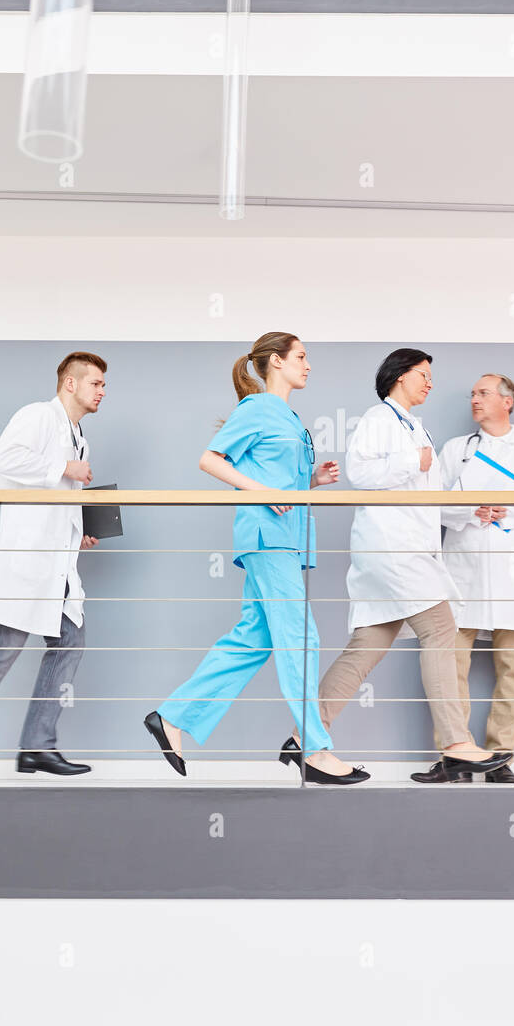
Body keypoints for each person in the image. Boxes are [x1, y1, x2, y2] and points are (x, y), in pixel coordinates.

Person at [144, 332, 369, 786]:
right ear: (275, 362)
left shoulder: (285, 414)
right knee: (300, 639)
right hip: (270, 540)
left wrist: (311, 480)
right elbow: (210, 459)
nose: (308, 365)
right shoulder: (260, 409)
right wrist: (261, 490)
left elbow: (275, 482)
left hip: (284, 539)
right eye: (301, 357)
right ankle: (315, 749)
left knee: (253, 639)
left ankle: (172, 717)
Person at [318, 348, 513, 782]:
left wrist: (470, 510)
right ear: (399, 376)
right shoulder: (377, 420)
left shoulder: (414, 427)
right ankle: (457, 744)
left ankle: (305, 739)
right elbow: (360, 475)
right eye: (422, 375)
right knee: (441, 629)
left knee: (365, 648)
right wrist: (413, 461)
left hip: (403, 552)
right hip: (391, 551)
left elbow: (430, 499)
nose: (430, 383)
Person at [0, 352, 107, 783]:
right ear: (70, 383)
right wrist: (62, 468)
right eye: (96, 384)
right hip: (23, 563)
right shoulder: (37, 417)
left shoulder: (79, 435)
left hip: (56, 568)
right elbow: (5, 460)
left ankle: (36, 747)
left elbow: (57, 501)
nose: (102, 392)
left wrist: (80, 530)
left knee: (70, 640)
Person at [415, 373, 514, 786]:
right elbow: (433, 503)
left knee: (512, 668)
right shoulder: (456, 450)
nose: (475, 400)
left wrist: (507, 511)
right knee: (450, 665)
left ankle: (499, 758)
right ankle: (454, 756)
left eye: (483, 394)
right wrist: (469, 511)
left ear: (507, 401)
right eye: (473, 395)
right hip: (464, 569)